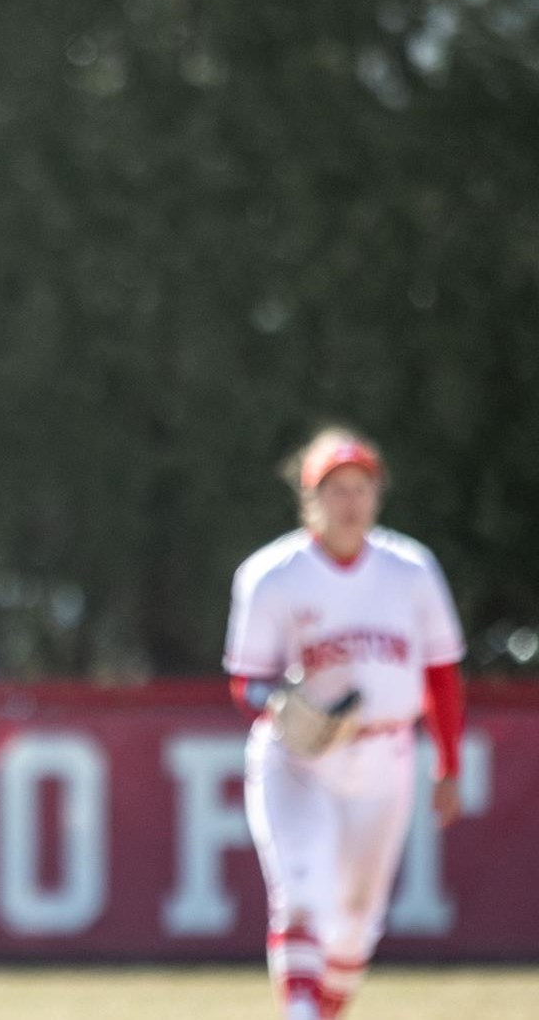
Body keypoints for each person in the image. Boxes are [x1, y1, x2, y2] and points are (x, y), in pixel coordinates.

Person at [223, 427, 467, 1020]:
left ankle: (321, 1010)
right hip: (300, 758)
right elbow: (245, 681)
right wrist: (283, 704)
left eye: (361, 487)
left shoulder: (411, 570)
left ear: (376, 495)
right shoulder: (272, 574)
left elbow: (440, 674)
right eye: (336, 489)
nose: (351, 501)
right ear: (311, 498)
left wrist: (449, 762)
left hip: (385, 756)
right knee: (302, 896)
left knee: (356, 924)